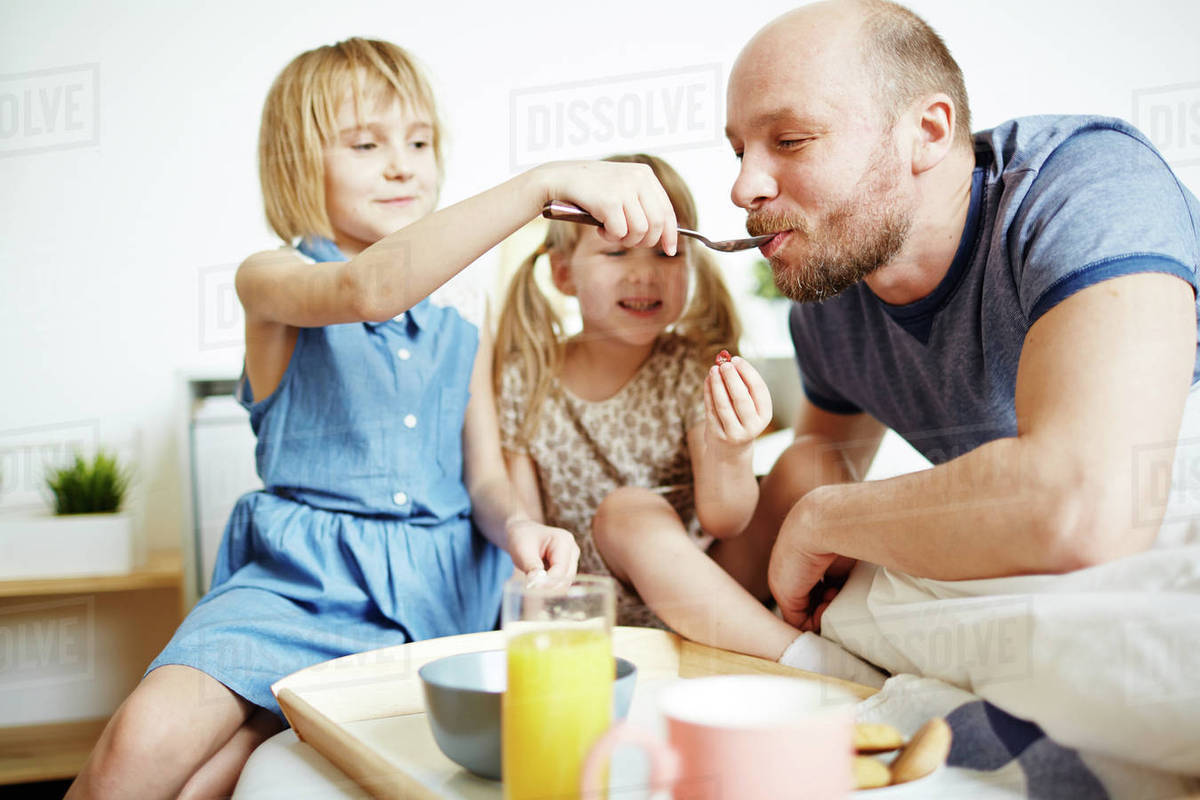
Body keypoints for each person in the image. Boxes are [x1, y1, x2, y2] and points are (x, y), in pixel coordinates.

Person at [67, 38, 682, 800]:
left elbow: (483, 473)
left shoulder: (467, 310)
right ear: (299, 162)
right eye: (367, 144)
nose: (404, 165)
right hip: (300, 584)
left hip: (437, 591)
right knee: (142, 742)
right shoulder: (272, 278)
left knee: (216, 781)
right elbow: (367, 288)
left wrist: (519, 529)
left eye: (419, 142)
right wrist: (544, 183)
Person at [724, 0, 1200, 636]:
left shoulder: (1086, 187)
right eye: (739, 152)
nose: (743, 188)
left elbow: (1085, 506)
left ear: (928, 132)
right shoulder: (833, 302)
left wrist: (825, 518)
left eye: (790, 140)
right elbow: (810, 475)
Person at [494, 152, 820, 662]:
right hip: (598, 611)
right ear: (563, 274)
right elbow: (526, 538)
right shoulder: (526, 378)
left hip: (706, 592)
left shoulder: (691, 368)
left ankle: (829, 622)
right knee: (627, 511)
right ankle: (801, 657)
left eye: (666, 253)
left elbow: (725, 520)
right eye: (617, 254)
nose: (645, 274)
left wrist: (733, 450)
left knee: (812, 462)